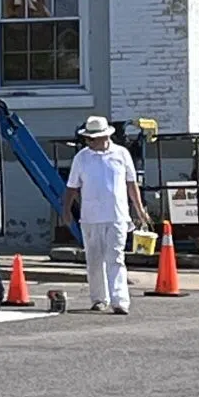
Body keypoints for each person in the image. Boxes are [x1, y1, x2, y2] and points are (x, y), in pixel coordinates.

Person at [63, 117, 150, 314]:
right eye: (88, 138)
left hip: (117, 215)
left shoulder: (121, 154)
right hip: (90, 217)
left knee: (116, 257)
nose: (89, 142)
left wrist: (139, 209)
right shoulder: (82, 158)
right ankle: (99, 298)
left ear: (105, 136)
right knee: (94, 260)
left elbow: (131, 184)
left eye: (93, 139)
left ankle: (119, 300)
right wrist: (66, 210)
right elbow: (71, 187)